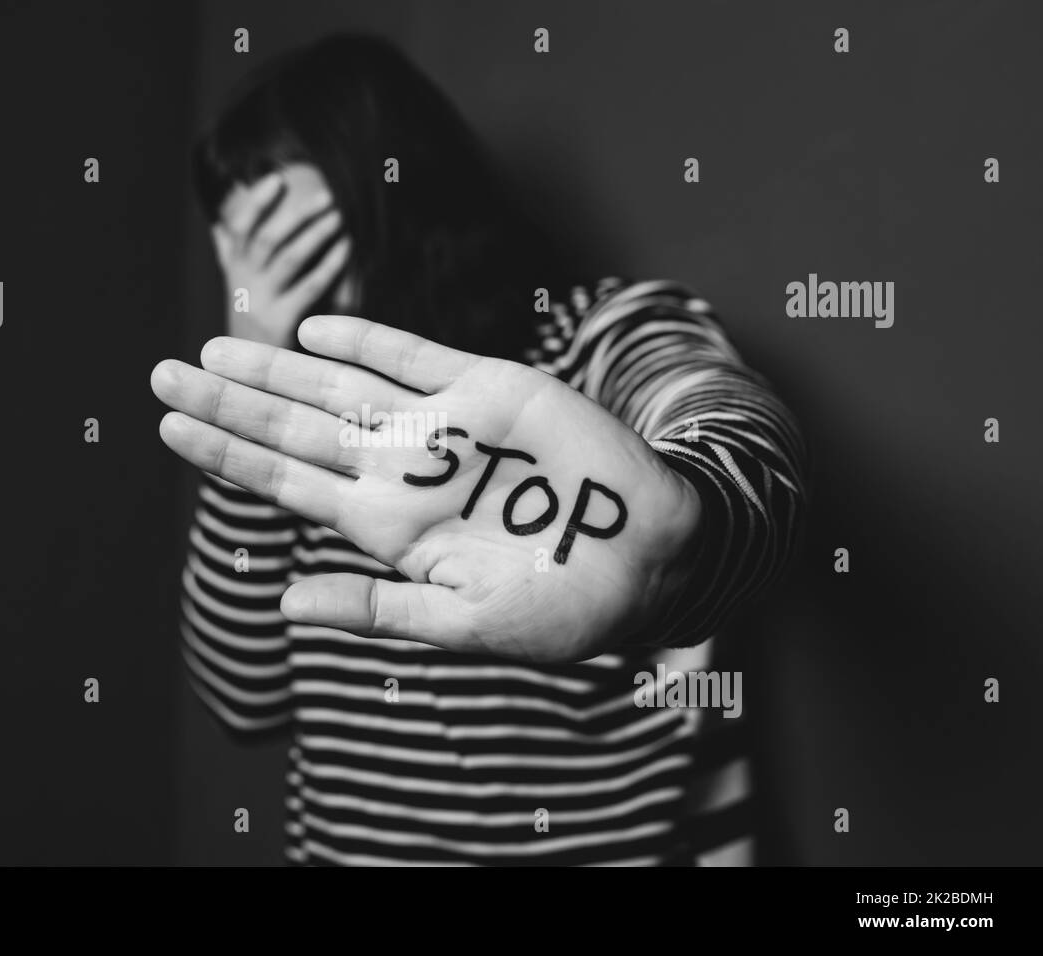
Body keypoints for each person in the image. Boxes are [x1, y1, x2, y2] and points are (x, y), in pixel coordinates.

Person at [151, 34, 806, 865]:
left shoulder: (589, 343)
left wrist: (697, 513)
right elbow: (243, 700)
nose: (256, 262)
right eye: (232, 241)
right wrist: (253, 376)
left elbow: (714, 408)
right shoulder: (305, 434)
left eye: (284, 232)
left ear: (386, 183)